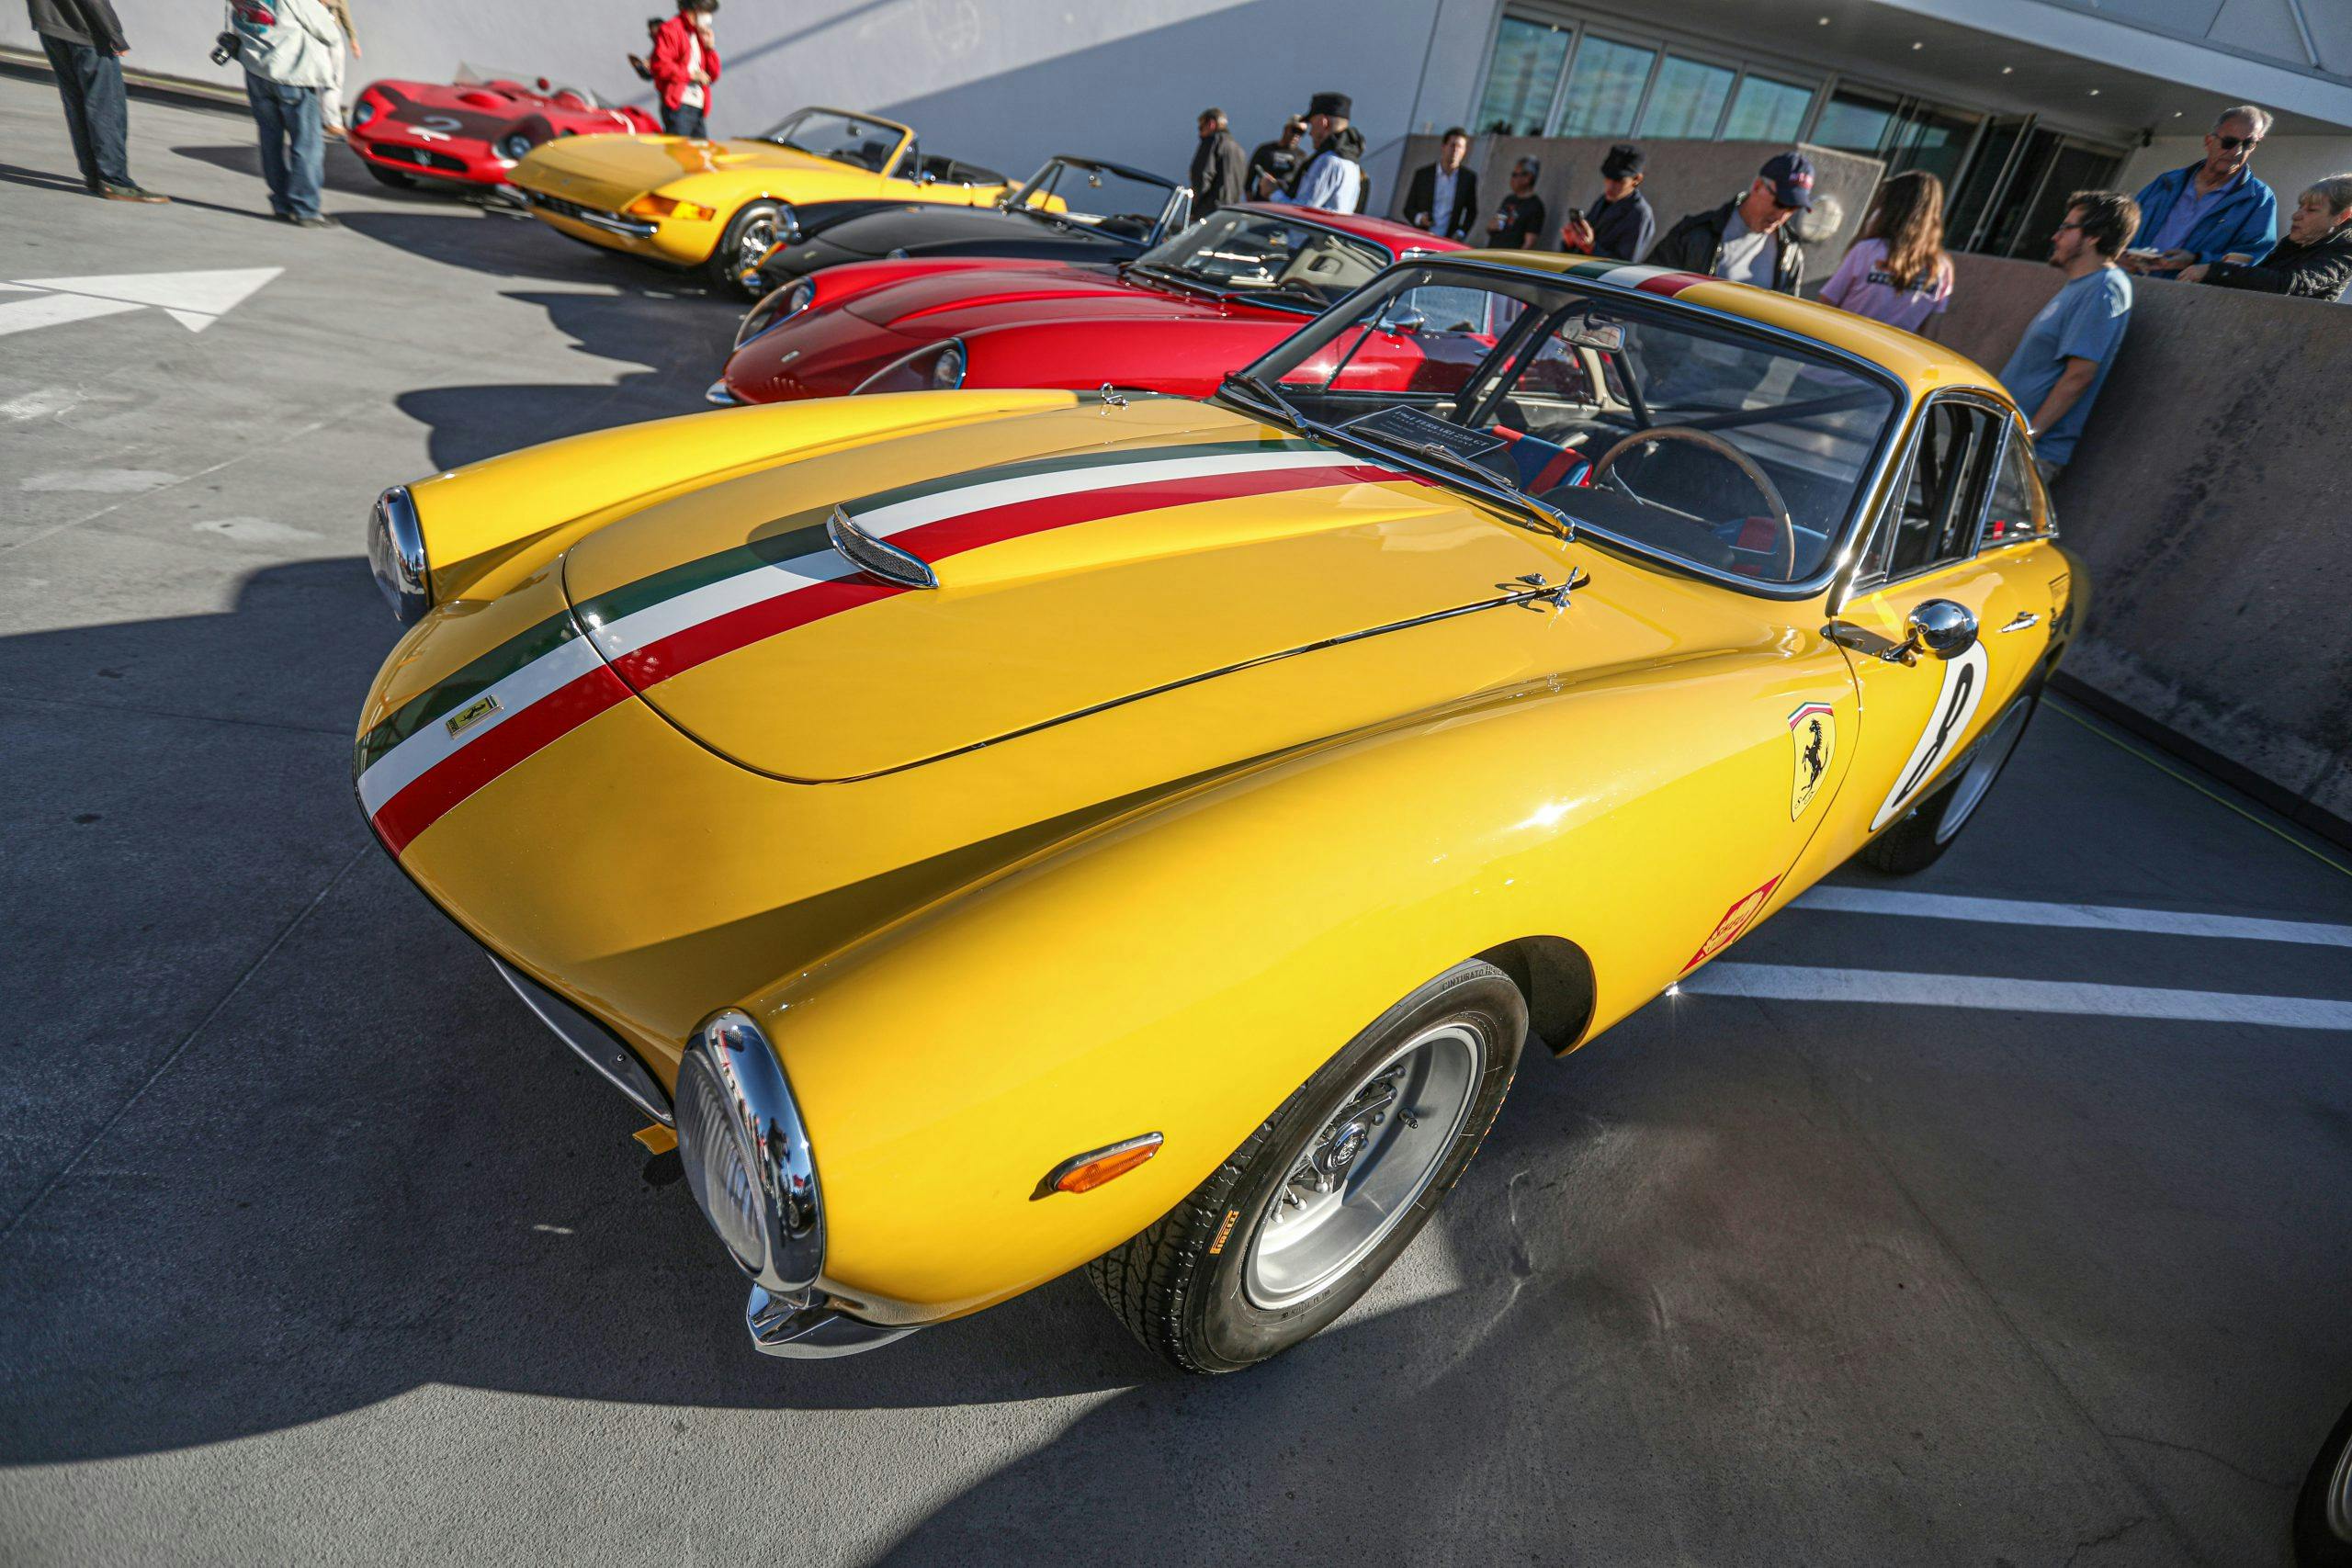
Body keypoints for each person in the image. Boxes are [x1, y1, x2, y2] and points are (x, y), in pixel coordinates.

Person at [1998, 190, 2139, 484]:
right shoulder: (2081, 285)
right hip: (2005, 445)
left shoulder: (2104, 288)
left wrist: (2026, 438)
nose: (2055, 237)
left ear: (2093, 237)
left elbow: (2079, 376)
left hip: (2025, 457)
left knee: (1993, 531)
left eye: (2066, 228)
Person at [25, 0, 165, 201]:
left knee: (76, 103)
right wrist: (114, 34)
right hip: (86, 31)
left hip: (49, 26)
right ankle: (114, 181)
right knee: (106, 106)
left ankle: (94, 176)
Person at [2123, 106, 2278, 277]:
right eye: (2229, 142)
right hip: (2131, 280)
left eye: (2248, 144)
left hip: (2186, 296)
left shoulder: (2258, 199)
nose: (2237, 151)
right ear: (2209, 141)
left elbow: (2249, 258)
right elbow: (2123, 228)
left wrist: (2197, 260)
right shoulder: (2167, 182)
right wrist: (2121, 256)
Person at [228, 0, 343, 228]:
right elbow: (329, 34)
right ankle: (305, 208)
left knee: (270, 141)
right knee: (306, 144)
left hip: (257, 71)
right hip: (293, 75)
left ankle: (281, 203)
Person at [1647, 152, 1812, 294]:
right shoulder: (1696, 233)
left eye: (1793, 209)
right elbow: (1648, 287)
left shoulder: (1791, 252)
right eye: (1780, 203)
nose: (1782, 215)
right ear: (1758, 186)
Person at [1817, 170, 1954, 333]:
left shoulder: (1867, 250)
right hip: (1893, 355)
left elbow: (1827, 302)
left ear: (1891, 207)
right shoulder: (1942, 267)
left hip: (1844, 348)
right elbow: (1930, 331)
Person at [2181, 174, 2352, 302]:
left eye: (2312, 209)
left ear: (2341, 217)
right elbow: (2262, 280)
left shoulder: (2345, 252)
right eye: (2301, 207)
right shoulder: (2296, 242)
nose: (2296, 215)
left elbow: (2287, 284)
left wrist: (2216, 271)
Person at [1558, 142, 1651, 263]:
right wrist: (1570, 242)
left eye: (1619, 180)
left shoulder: (1640, 214)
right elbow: (1580, 247)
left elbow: (1624, 267)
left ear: (1637, 179)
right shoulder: (1604, 200)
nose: (1610, 185)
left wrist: (1591, 247)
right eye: (1608, 177)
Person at [1273, 93, 1363, 214]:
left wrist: (1273, 192)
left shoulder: (1329, 160)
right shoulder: (1352, 163)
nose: (1310, 133)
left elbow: (1303, 211)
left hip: (1308, 233)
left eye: (1312, 124)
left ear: (1322, 122)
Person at [650, 0, 719, 138]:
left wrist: (710, 48)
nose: (709, 17)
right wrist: (691, 75)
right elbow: (660, 66)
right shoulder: (671, 29)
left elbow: (713, 75)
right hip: (679, 105)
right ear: (696, 8)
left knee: (700, 155)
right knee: (680, 155)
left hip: (698, 106)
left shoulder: (698, 33)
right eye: (707, 11)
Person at [1402, 127, 1478, 241]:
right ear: (1444, 147)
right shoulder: (1423, 174)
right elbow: (1408, 208)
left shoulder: (1468, 178)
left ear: (1465, 151)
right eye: (1453, 145)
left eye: (1460, 147)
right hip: (1421, 236)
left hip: (1447, 240)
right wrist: (1420, 218)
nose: (1456, 150)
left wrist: (1461, 232)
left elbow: (1472, 211)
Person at [1190, 107, 1247, 218]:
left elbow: (1202, 175)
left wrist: (1193, 208)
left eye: (1201, 128)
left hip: (1209, 212)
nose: (1199, 133)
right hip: (1231, 213)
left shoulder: (1212, 141)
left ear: (1211, 124)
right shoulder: (1239, 150)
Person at [1484, 156, 1545, 249]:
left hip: (1508, 258)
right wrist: (1491, 226)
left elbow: (1529, 242)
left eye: (1515, 175)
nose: (1512, 179)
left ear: (1528, 178)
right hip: (1493, 252)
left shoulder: (1535, 206)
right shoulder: (1509, 199)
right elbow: (1496, 223)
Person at [318, 0, 358, 137]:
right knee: (329, 81)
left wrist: (352, 38)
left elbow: (343, 11)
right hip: (317, 32)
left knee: (333, 80)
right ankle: (331, 122)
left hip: (331, 33)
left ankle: (328, 119)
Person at [1246, 116, 1306, 201]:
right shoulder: (1265, 150)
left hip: (1284, 204)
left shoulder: (1301, 156)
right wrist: (1251, 204)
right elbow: (1249, 180)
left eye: (1301, 133)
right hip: (1262, 203)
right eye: (1294, 130)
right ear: (1286, 129)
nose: (1296, 135)